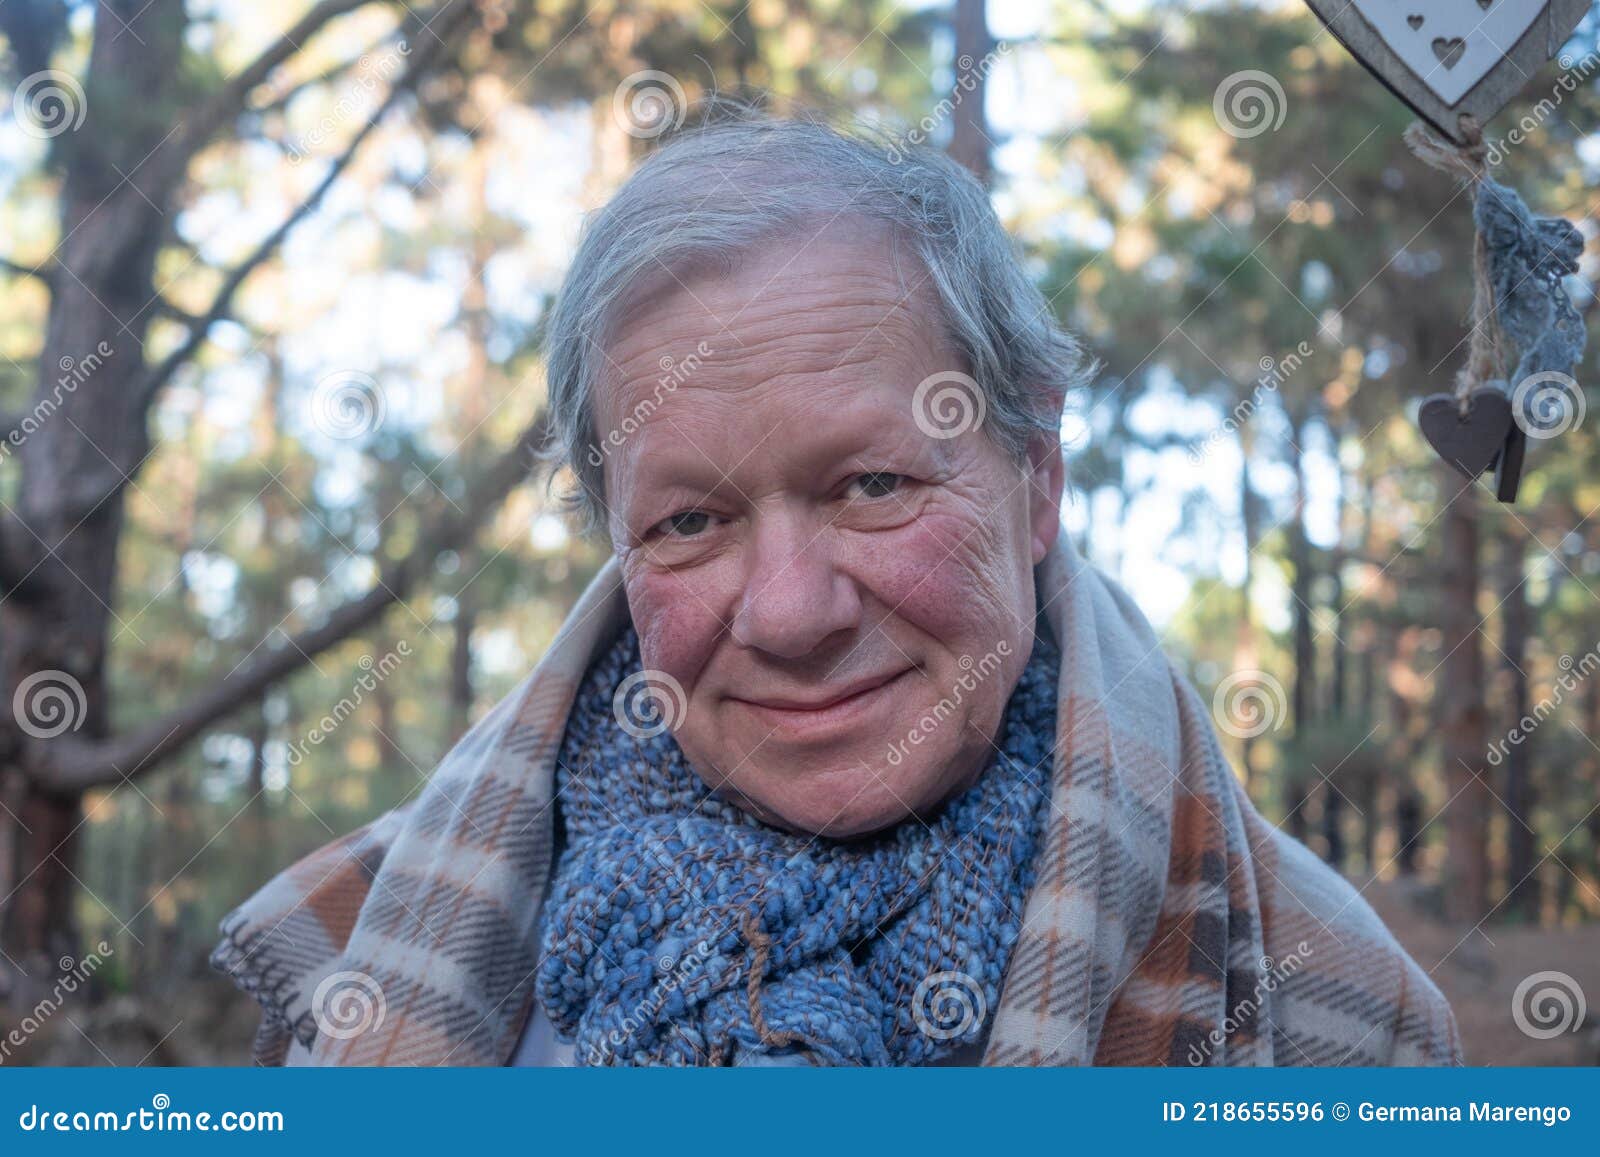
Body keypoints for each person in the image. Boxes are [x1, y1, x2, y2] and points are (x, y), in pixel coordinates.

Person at [214, 111, 1460, 1067]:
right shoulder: (373, 954)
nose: (793, 612)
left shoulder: (1348, 1017)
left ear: (1035, 479)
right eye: (689, 520)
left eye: (871, 485)